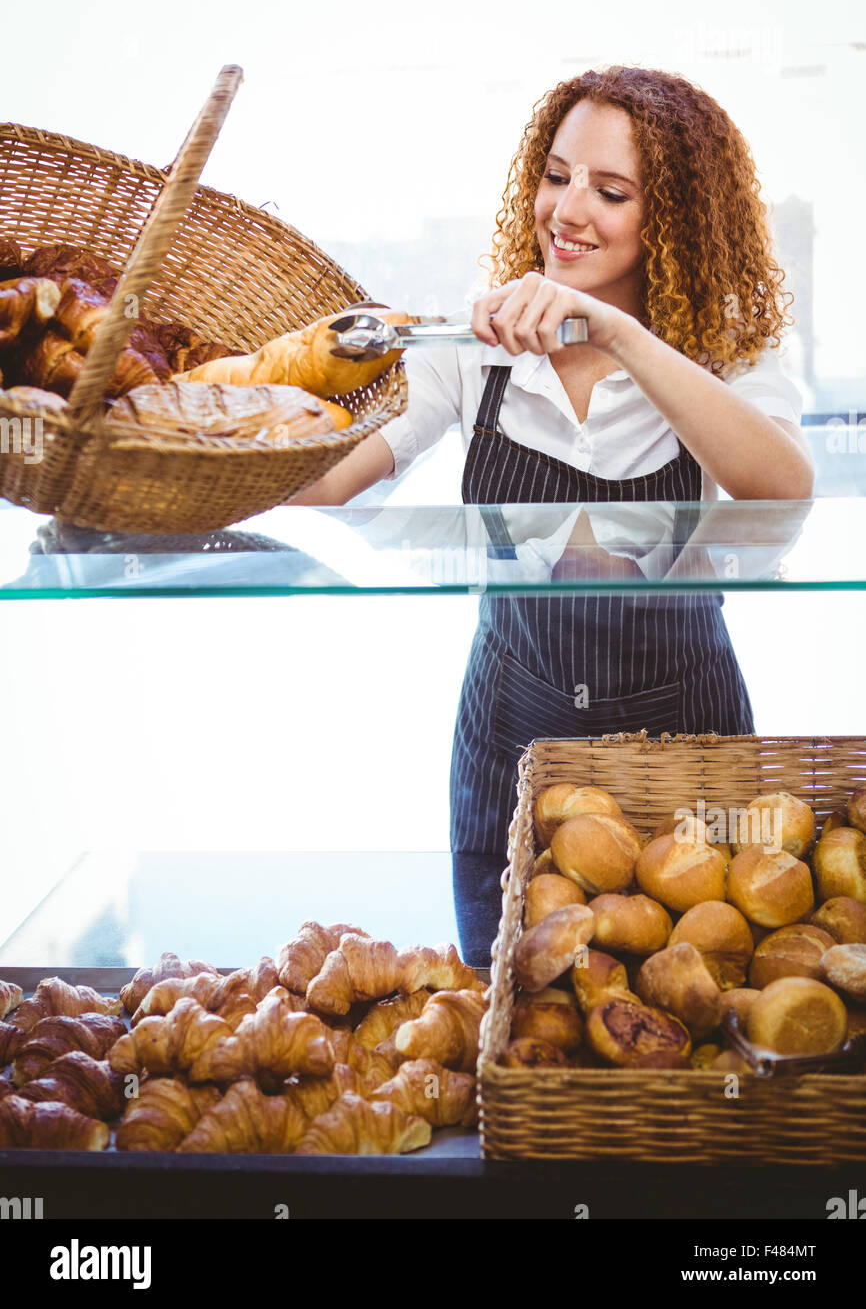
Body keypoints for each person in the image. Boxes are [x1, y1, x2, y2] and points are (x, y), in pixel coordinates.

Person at [291, 65, 814, 965]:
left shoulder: (730, 344)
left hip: (686, 763)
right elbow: (332, 481)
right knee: (510, 1032)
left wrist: (615, 331)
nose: (567, 211)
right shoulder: (476, 347)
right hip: (507, 752)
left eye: (610, 192)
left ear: (677, 221)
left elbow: (783, 490)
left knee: (686, 1025)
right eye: (556, 175)